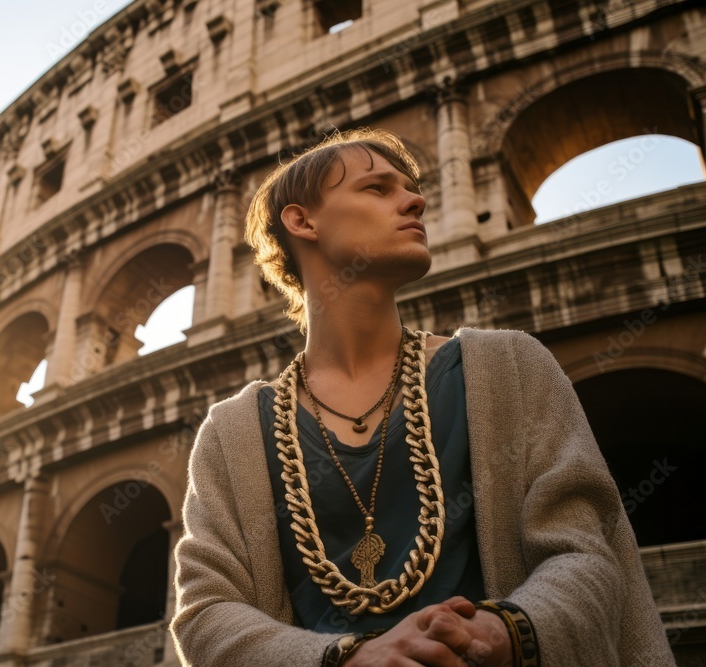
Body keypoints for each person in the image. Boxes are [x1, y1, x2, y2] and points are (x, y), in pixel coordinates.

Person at [168, 128, 675, 666]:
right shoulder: (232, 433)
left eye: (410, 187)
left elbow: (586, 550)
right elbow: (206, 611)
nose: (416, 199)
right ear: (302, 221)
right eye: (377, 188)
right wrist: (351, 658)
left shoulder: (511, 367)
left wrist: (500, 632)